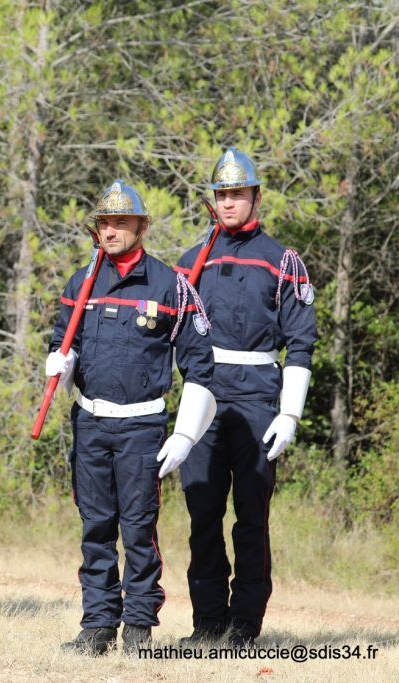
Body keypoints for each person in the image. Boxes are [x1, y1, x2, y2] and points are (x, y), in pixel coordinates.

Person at [48, 180, 216, 655]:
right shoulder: (80, 282)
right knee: (95, 526)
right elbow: (65, 345)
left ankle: (140, 626)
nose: (112, 230)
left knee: (138, 529)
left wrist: (185, 434)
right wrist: (59, 368)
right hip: (91, 422)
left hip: (143, 426)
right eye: (105, 223)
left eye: (122, 222)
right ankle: (98, 625)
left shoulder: (169, 285)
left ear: (141, 226)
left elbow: (200, 364)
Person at [176, 148, 317, 646]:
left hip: (259, 398)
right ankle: (207, 621)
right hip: (203, 397)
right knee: (202, 513)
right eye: (221, 194)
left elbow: (301, 342)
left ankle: (243, 625)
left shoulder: (283, 261)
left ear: (255, 196)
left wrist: (291, 413)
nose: (229, 202)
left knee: (252, 517)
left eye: (237, 193)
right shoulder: (191, 262)